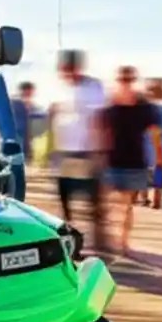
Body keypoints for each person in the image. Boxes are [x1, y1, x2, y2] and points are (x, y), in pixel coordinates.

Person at [47, 50, 108, 250]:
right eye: (63, 70)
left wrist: (100, 151)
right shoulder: (58, 88)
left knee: (93, 200)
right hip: (64, 151)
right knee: (65, 197)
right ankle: (69, 237)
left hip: (87, 151)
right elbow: (53, 115)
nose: (66, 74)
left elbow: (99, 119)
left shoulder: (93, 87)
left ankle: (99, 240)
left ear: (77, 67)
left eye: (68, 69)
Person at [102, 66, 161, 256]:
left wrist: (159, 157)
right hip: (111, 161)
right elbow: (102, 134)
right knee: (108, 204)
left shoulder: (145, 108)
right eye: (122, 79)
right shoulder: (110, 107)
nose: (125, 83)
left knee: (126, 205)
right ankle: (110, 238)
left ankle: (123, 242)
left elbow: (154, 133)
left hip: (134, 161)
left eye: (128, 79)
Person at [142, 78, 162, 209]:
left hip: (148, 144)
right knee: (160, 172)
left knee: (145, 172)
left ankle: (144, 198)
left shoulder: (147, 109)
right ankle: (157, 200)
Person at [11, 81, 36, 159]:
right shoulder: (16, 102)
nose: (31, 94)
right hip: (18, 131)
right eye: (30, 91)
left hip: (25, 132)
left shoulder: (29, 103)